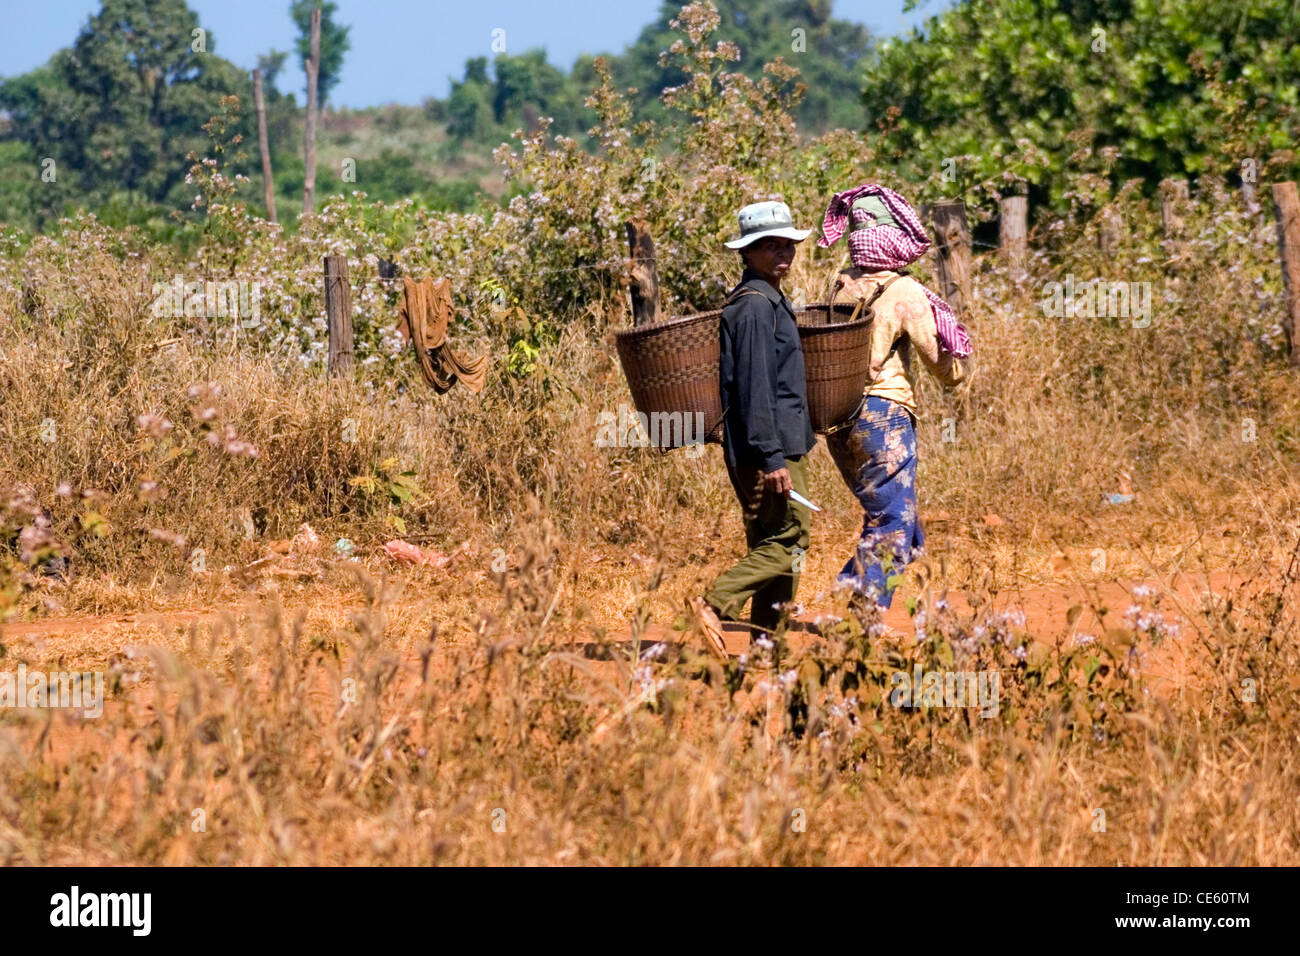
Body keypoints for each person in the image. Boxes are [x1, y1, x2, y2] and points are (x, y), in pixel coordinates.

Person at [815, 184, 974, 609]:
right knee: (893, 526)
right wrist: (960, 371)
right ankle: (859, 615)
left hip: (837, 421)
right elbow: (941, 363)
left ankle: (858, 592)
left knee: (890, 515)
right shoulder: (905, 292)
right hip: (884, 418)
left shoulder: (840, 285)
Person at [690, 201, 816, 659]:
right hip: (769, 449)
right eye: (770, 245)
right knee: (789, 543)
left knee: (774, 543)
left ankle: (767, 652)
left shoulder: (767, 300)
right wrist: (771, 458)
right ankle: (713, 602)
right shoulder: (754, 308)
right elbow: (754, 388)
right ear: (747, 253)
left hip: (779, 446)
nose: (783, 252)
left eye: (788, 244)